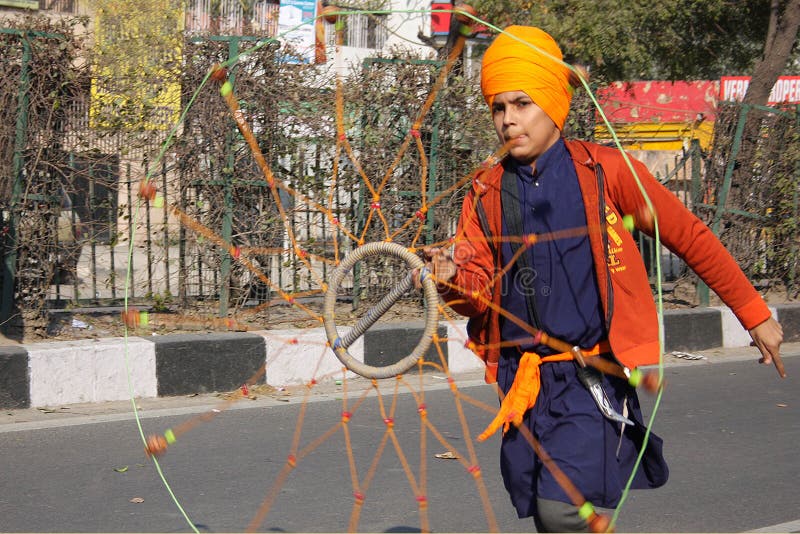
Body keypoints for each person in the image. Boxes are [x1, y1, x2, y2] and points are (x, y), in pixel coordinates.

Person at [420, 25, 785, 533]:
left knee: (561, 510)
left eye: (522, 103)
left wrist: (752, 312)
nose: (508, 119)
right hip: (523, 382)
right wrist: (450, 277)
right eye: (498, 107)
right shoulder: (485, 191)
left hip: (592, 376)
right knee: (546, 515)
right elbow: (478, 295)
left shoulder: (606, 171)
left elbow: (689, 236)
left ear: (554, 102)